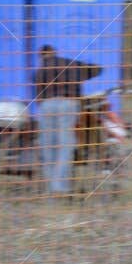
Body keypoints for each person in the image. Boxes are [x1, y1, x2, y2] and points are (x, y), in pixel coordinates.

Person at [33, 44, 100, 196]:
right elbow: (97, 69)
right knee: (66, 145)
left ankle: (51, 189)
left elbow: (38, 98)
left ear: (41, 56)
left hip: (47, 106)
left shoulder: (38, 72)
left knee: (48, 147)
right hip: (68, 104)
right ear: (54, 52)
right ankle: (60, 185)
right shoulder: (68, 63)